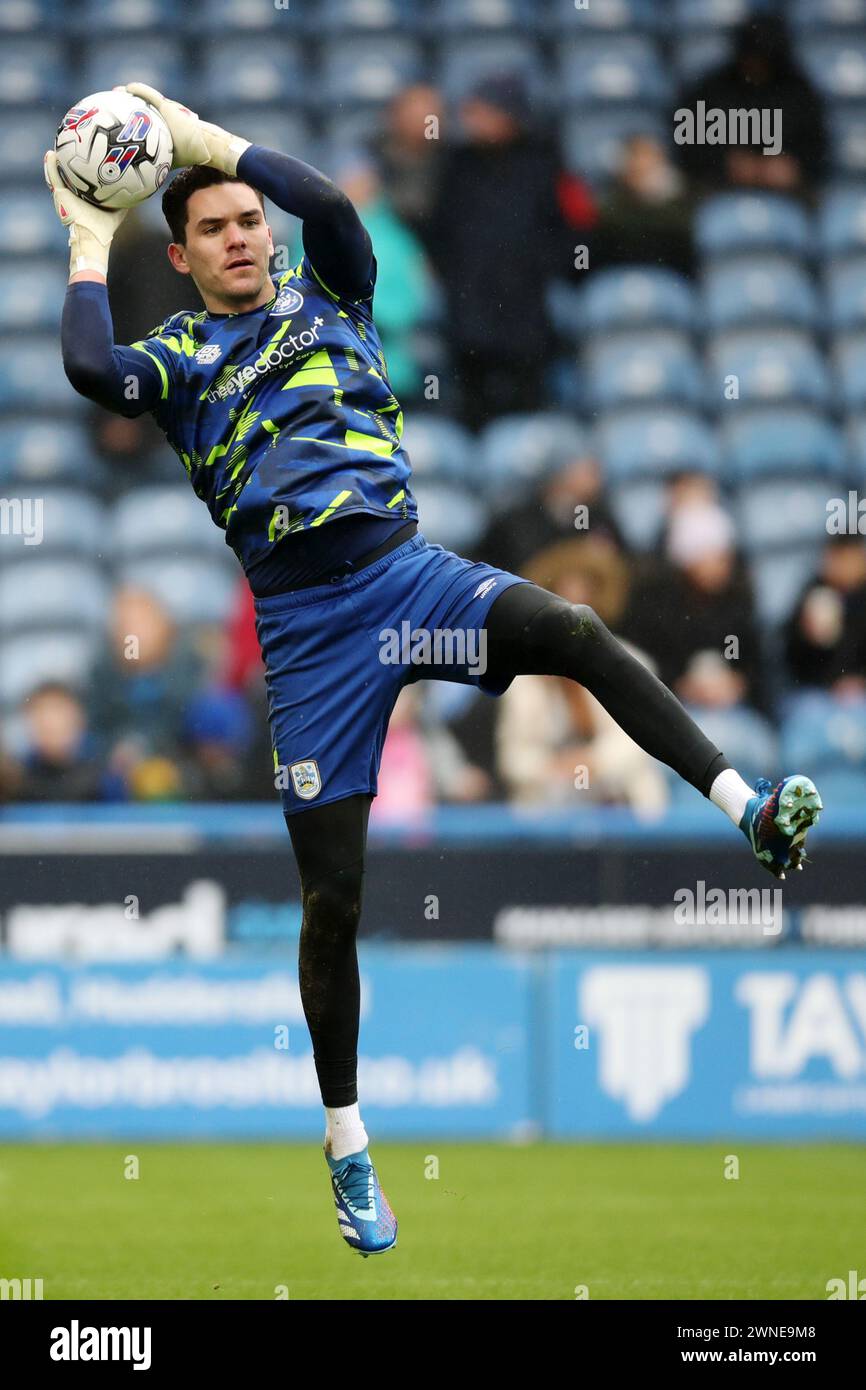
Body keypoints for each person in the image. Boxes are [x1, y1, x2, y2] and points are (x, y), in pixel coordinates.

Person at [47, 82, 823, 1258]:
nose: (243, 235)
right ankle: (347, 1142)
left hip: (406, 585)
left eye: (249, 219)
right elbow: (89, 370)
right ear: (186, 252)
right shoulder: (181, 355)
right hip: (307, 636)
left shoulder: (335, 289)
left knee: (572, 629)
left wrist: (211, 142)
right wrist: (87, 235)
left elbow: (330, 207)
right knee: (333, 901)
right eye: (213, 226)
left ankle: (748, 810)